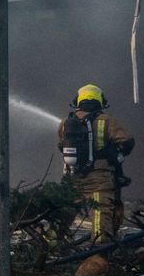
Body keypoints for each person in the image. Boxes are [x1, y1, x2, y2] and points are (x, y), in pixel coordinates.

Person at [57, 84, 135, 241]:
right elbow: (127, 142)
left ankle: (52, 247)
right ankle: (99, 252)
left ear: (77, 101)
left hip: (73, 176)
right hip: (100, 177)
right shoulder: (108, 121)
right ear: (101, 101)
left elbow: (61, 145)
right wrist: (114, 152)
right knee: (100, 215)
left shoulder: (66, 123)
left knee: (63, 213)